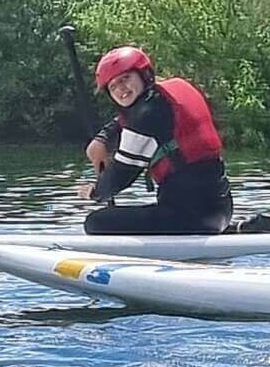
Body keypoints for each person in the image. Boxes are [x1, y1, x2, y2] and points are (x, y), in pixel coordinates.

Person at [78, 46, 236, 235]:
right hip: (220, 210)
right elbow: (123, 121)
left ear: (144, 74)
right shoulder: (172, 89)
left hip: (191, 216)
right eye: (113, 86)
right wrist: (102, 138)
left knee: (96, 222)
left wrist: (95, 192)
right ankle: (238, 228)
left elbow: (120, 175)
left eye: (125, 78)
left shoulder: (147, 115)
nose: (121, 88)